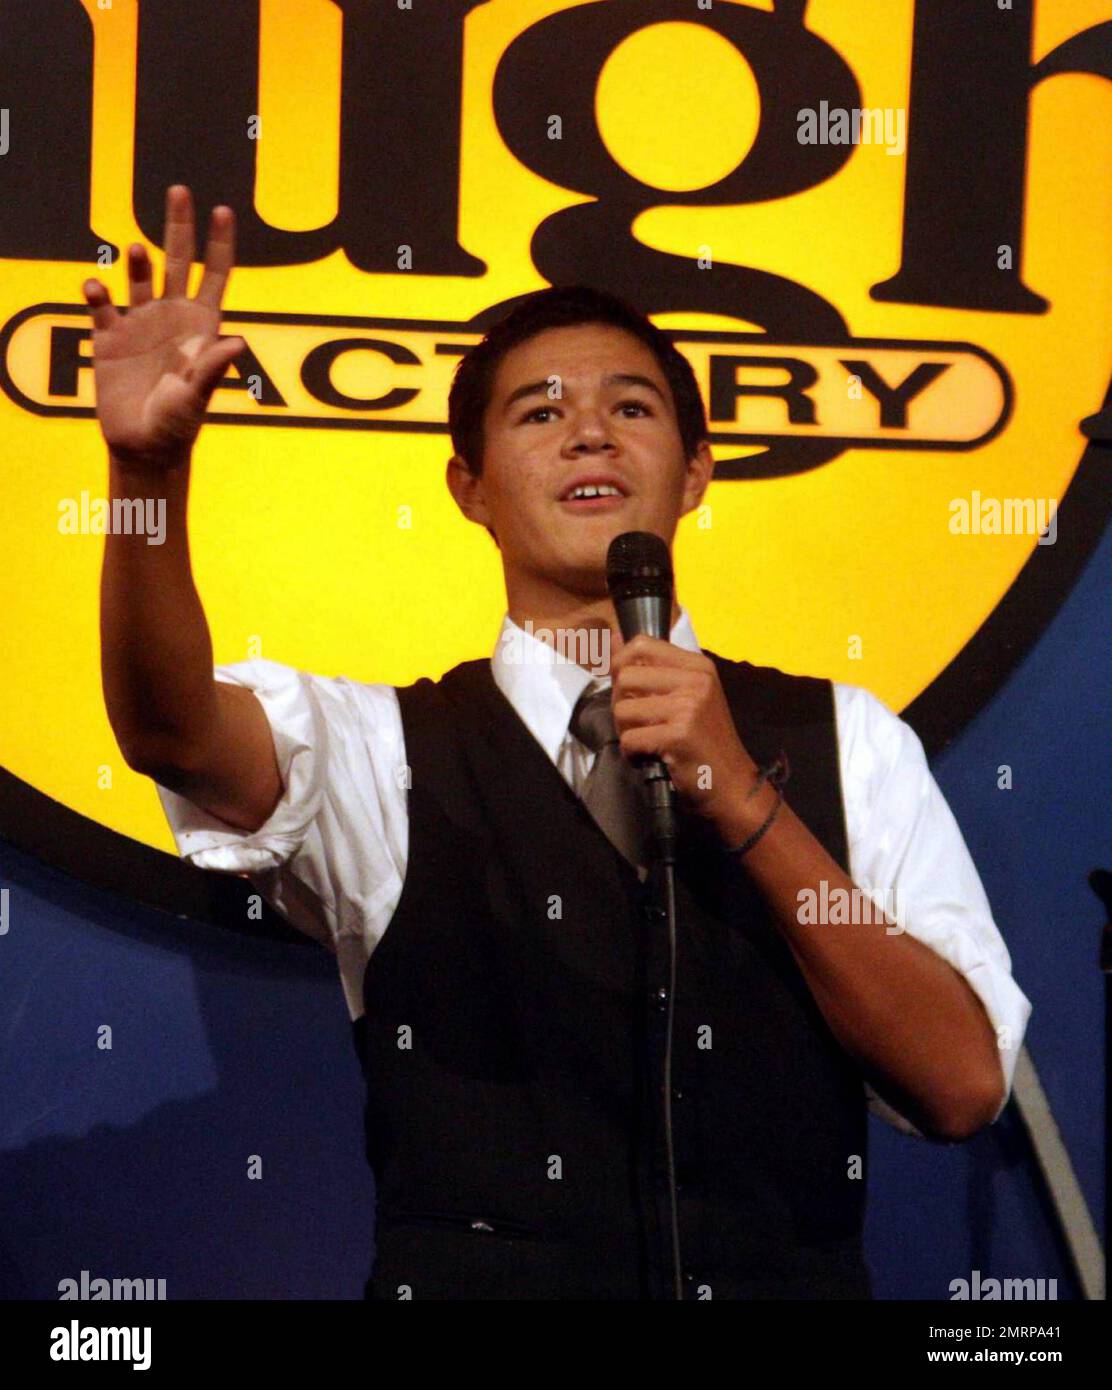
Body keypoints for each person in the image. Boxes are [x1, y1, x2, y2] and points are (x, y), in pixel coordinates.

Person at [84, 185, 1032, 1301]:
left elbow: (960, 1085)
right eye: (537, 412)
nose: (588, 429)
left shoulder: (844, 738)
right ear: (468, 488)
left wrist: (739, 795)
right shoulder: (381, 750)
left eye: (630, 408)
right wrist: (146, 478)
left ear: (694, 470)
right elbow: (169, 728)